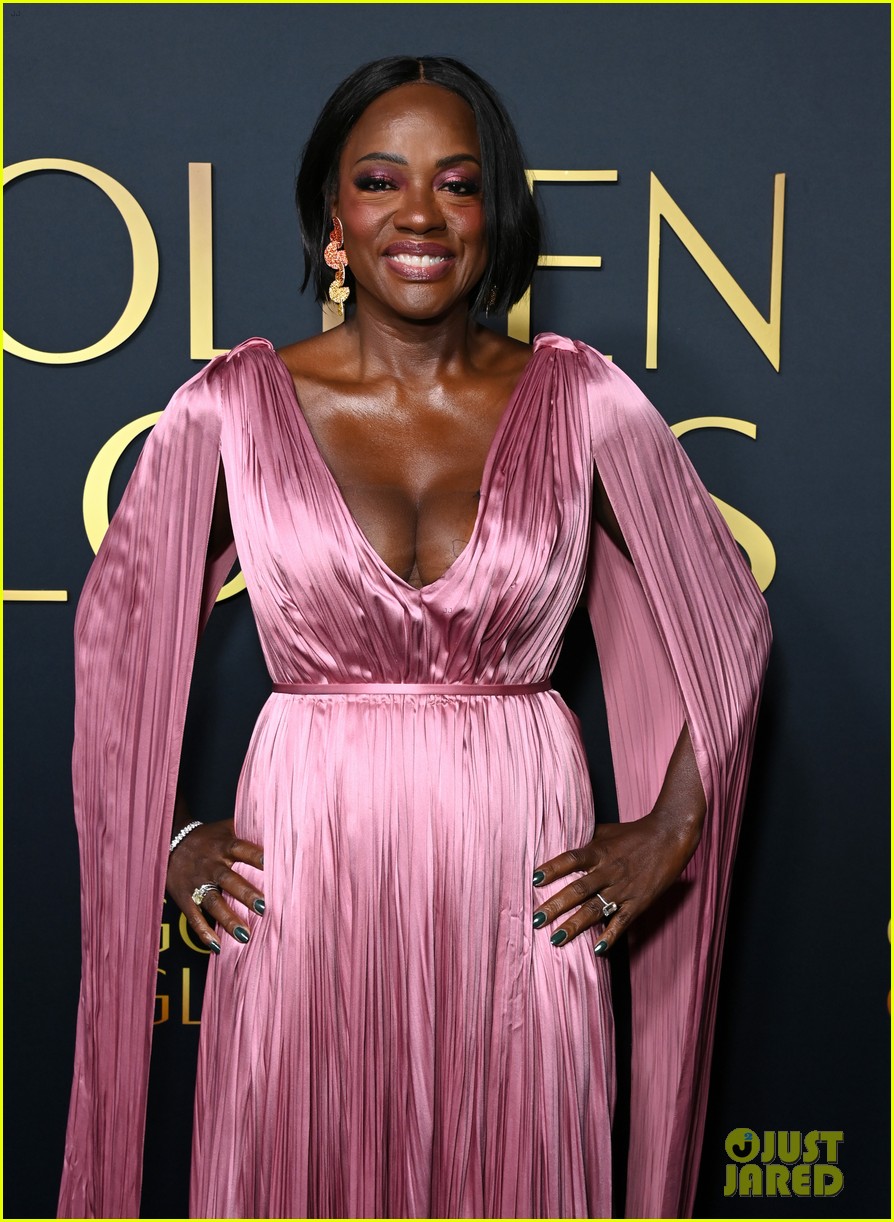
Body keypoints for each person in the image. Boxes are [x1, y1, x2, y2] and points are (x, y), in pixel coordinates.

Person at [58, 56, 770, 1221]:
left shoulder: (585, 400)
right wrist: (170, 838)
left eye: (459, 182)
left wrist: (677, 824)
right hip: (304, 877)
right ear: (331, 218)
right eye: (382, 181)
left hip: (520, 885)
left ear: (497, 215)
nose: (422, 215)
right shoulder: (230, 407)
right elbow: (114, 645)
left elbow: (727, 618)